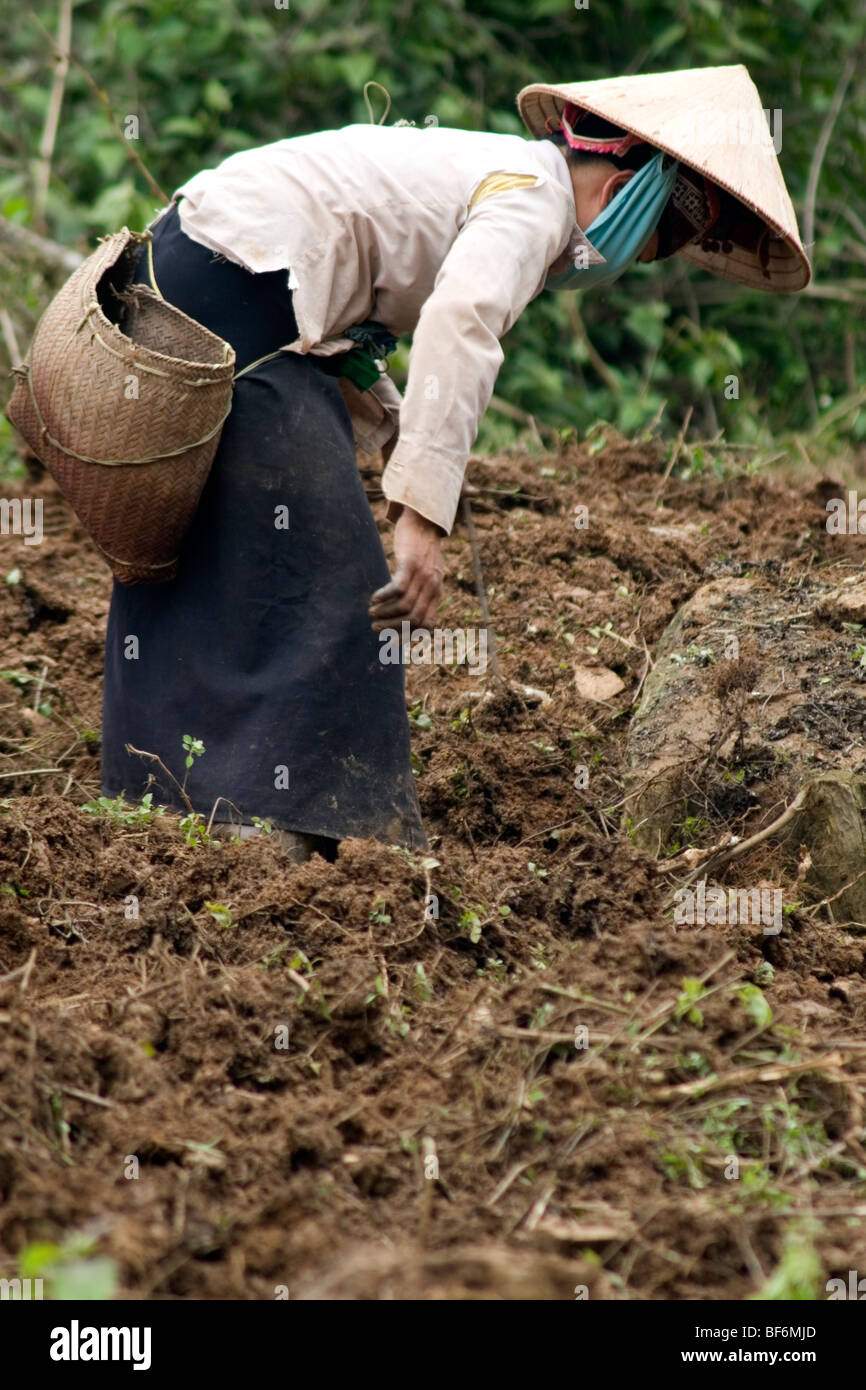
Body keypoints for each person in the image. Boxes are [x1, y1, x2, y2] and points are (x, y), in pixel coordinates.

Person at [100, 64, 810, 861]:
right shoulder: (535, 202)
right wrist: (421, 519)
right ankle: (263, 830)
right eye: (651, 249)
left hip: (190, 280)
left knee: (206, 544)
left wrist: (405, 432)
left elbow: (352, 297)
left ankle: (159, 806)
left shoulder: (494, 170)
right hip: (234, 303)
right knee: (338, 585)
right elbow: (462, 322)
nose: (638, 265)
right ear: (617, 201)